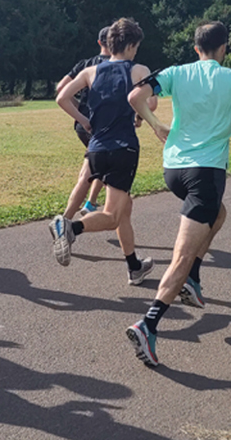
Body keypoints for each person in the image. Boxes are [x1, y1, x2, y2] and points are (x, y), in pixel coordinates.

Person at [123, 22, 231, 367]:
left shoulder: (176, 72)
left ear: (196, 48)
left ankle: (194, 278)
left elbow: (135, 97)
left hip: (175, 171)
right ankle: (148, 324)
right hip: (206, 174)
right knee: (180, 257)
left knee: (219, 214)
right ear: (224, 48)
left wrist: (156, 125)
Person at [49, 18, 158, 285]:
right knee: (111, 217)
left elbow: (61, 96)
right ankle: (69, 226)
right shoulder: (138, 69)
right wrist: (138, 113)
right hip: (124, 149)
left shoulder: (91, 72)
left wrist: (84, 120)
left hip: (96, 148)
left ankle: (134, 266)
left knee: (124, 209)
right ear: (131, 46)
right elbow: (151, 102)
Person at [57, 28, 114, 220]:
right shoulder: (116, 67)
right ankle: (66, 221)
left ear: (99, 43)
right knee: (92, 173)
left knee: (96, 166)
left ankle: (91, 203)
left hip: (82, 126)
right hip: (101, 126)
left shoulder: (85, 64)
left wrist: (79, 109)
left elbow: (60, 88)